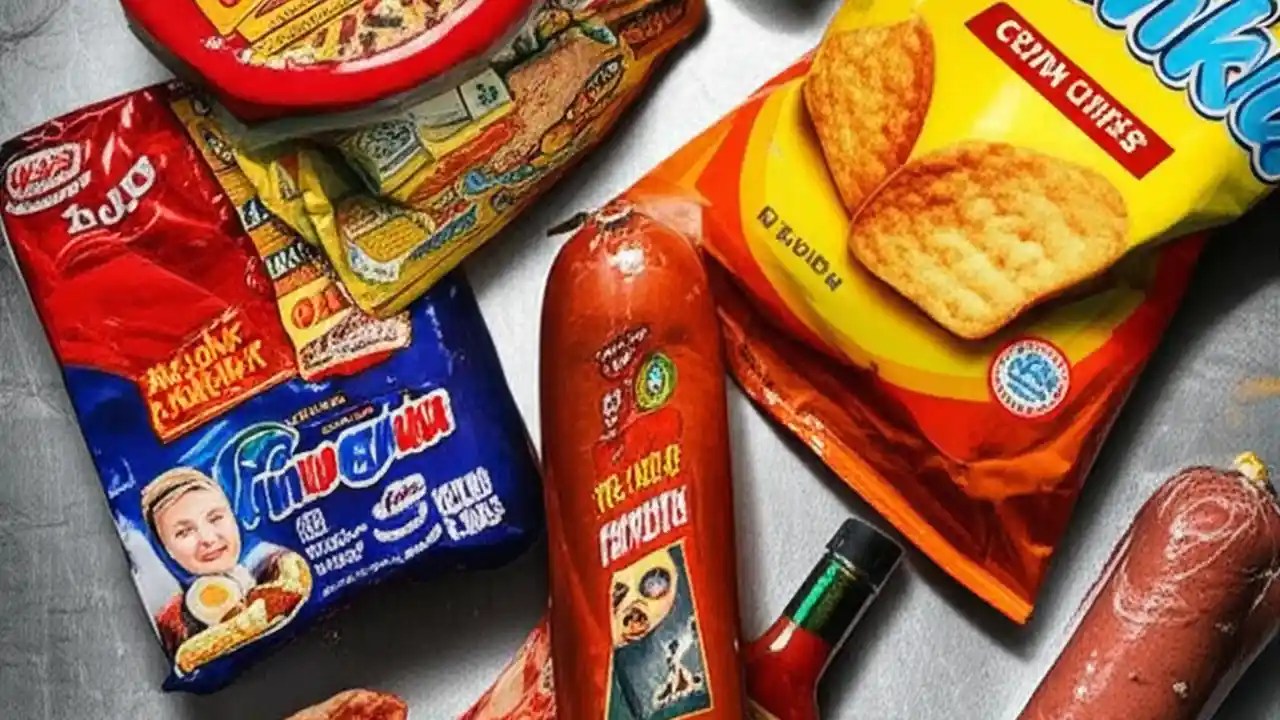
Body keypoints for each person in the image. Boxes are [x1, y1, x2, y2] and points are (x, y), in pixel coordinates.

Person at [141, 467, 309, 659]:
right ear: (166, 549)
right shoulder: (173, 623)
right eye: (184, 532)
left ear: (233, 518)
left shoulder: (277, 568)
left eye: (215, 518)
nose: (208, 538)